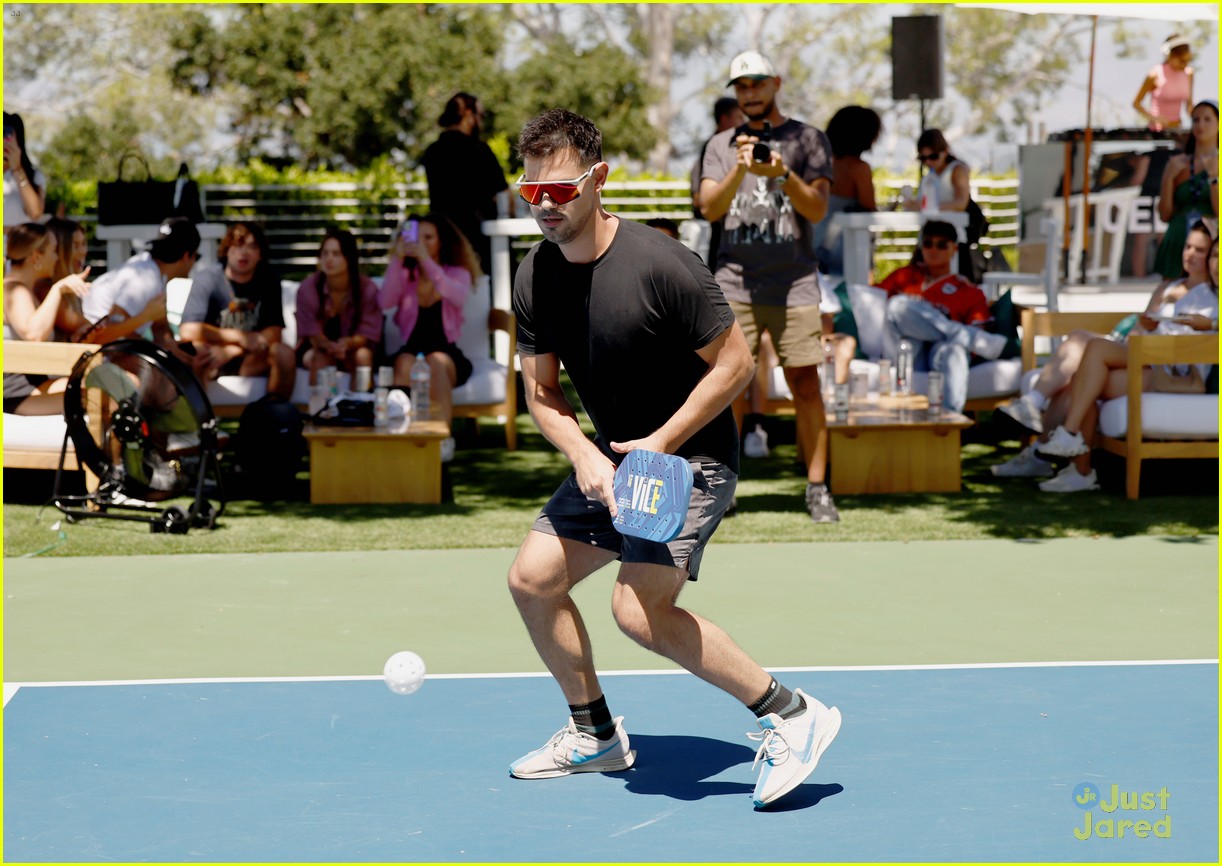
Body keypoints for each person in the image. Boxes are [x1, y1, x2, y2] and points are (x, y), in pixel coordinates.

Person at [506, 108, 841, 808]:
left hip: (691, 457)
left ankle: (793, 714)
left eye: (561, 191)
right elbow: (540, 393)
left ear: (598, 181)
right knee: (532, 580)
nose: (546, 206)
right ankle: (595, 734)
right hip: (614, 456)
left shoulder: (661, 264)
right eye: (532, 193)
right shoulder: (534, 276)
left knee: (638, 609)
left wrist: (658, 445)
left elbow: (736, 364)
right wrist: (586, 455)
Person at [699, 50, 839, 523]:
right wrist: (740, 168)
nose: (750, 93)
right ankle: (724, 489)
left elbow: (817, 209)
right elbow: (709, 209)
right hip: (733, 281)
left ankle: (818, 487)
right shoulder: (720, 144)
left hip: (795, 281)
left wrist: (781, 172)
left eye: (757, 83)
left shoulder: (808, 139)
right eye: (741, 86)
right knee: (727, 386)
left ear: (776, 83)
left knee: (805, 383)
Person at [995, 221, 1215, 479]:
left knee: (1089, 360)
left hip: (1162, 365)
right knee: (1080, 347)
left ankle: (1049, 444)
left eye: (1200, 250)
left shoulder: (1212, 298)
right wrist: (1142, 326)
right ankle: (1057, 443)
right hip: (1139, 352)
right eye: (1187, 247)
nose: (1190, 254)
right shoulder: (1167, 287)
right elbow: (1138, 330)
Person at [378, 213, 480, 463]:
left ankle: (442, 438)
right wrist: (398, 259)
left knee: (436, 362)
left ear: (441, 241)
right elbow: (384, 302)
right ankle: (402, 439)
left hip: (446, 352)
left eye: (428, 238)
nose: (421, 242)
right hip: (411, 350)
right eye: (417, 237)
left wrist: (426, 261)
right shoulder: (405, 273)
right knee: (404, 363)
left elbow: (456, 296)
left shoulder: (457, 272)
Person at [879, 220, 1007, 414]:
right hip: (907, 351)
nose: (933, 250)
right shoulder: (904, 277)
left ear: (954, 249)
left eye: (941, 245)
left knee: (954, 352)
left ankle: (949, 423)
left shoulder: (966, 291)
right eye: (928, 243)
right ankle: (962, 334)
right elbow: (871, 302)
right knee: (898, 305)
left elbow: (979, 327)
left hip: (940, 351)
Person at [179, 221, 296, 399]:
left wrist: (234, 350)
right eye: (238, 245)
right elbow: (188, 329)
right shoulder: (207, 278)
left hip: (252, 358)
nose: (244, 252)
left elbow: (274, 333)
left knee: (284, 353)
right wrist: (239, 338)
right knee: (195, 352)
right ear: (226, 250)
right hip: (212, 357)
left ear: (260, 254)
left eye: (252, 246)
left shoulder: (269, 279)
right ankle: (202, 421)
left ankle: (276, 416)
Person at [80, 216, 200, 369]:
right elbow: (104, 336)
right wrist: (146, 319)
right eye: (196, 256)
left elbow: (159, 328)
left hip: (100, 353)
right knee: (159, 373)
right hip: (91, 356)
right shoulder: (144, 280)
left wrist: (172, 346)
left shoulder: (154, 272)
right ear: (187, 256)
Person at [2, 222, 91, 414]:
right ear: (36, 257)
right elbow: (34, 334)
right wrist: (58, 289)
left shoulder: (24, 290)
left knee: (103, 385)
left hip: (29, 385)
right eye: (53, 251)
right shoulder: (13, 289)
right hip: (14, 393)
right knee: (98, 395)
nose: (57, 257)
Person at [419, 92, 511, 274]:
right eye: (480, 116)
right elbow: (504, 197)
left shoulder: (432, 152)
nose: (481, 122)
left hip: (444, 241)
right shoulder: (479, 151)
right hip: (482, 243)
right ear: (469, 115)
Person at [294, 227, 382, 383]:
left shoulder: (367, 288)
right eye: (325, 253)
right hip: (317, 348)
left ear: (349, 258)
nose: (329, 259)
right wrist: (329, 346)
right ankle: (320, 406)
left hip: (355, 347)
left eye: (336, 254)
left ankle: (360, 403)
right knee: (318, 358)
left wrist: (347, 344)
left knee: (363, 356)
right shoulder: (308, 289)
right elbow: (310, 332)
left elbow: (368, 332)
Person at [1151, 100, 1218, 287]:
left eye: (1207, 119)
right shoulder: (1178, 163)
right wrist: (1169, 179)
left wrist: (1214, 176)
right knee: (1167, 297)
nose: (1200, 125)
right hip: (1178, 238)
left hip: (1209, 241)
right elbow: (1165, 215)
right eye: (1196, 120)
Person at [812, 105, 881, 277]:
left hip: (812, 238)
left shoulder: (818, 162)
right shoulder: (858, 168)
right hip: (843, 244)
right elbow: (869, 209)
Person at [690, 96, 745, 267]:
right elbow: (700, 199)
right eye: (739, 117)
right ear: (724, 119)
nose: (743, 123)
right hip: (722, 231)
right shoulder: (713, 148)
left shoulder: (742, 145)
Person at [1132, 35, 1195, 132]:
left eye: (1188, 61)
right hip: (1157, 131)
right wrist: (1154, 118)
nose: (1185, 64)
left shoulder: (1188, 73)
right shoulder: (1155, 74)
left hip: (1177, 129)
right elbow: (1136, 103)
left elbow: (1189, 105)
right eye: (1182, 61)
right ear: (1170, 56)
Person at [3, 112, 46, 235]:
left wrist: (17, 170)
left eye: (6, 134)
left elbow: (35, 213)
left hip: (20, 248)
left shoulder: (34, 175)